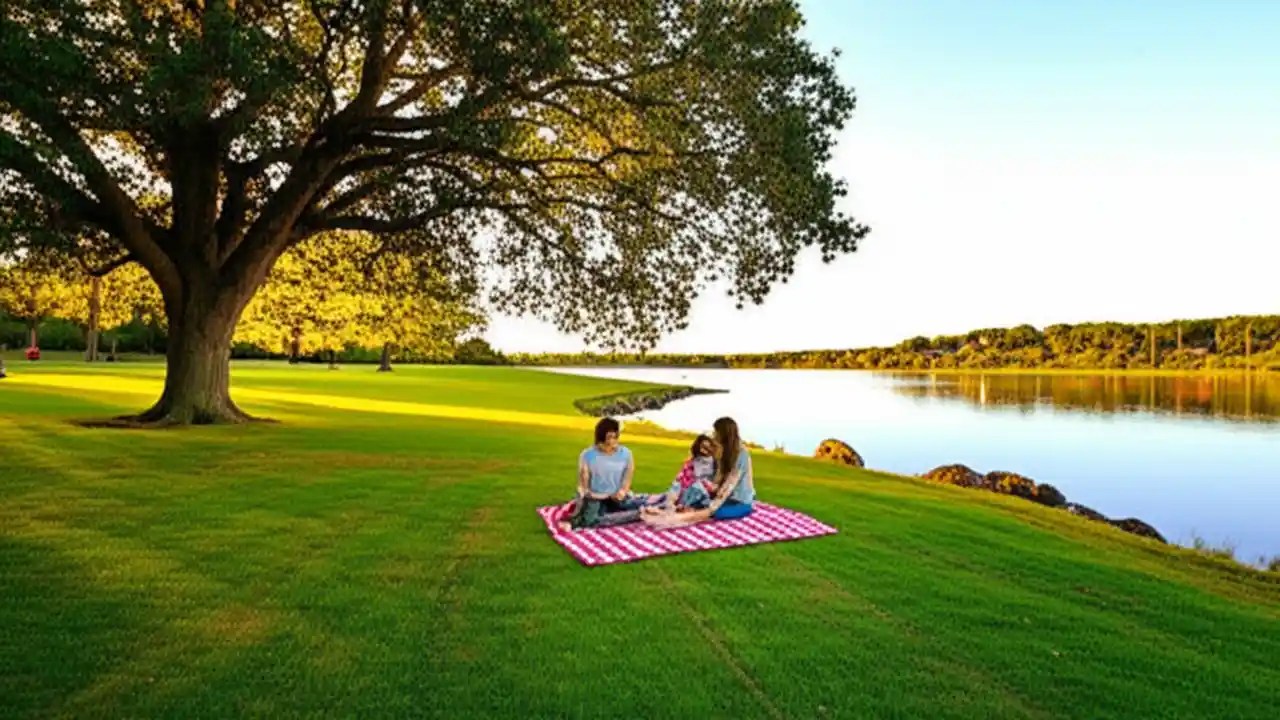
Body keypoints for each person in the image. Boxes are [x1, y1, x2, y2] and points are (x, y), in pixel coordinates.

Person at [641, 416, 755, 528]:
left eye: (716, 432)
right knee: (699, 502)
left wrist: (711, 507)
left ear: (724, 434)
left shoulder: (741, 454)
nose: (714, 435)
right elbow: (718, 478)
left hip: (740, 502)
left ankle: (671, 519)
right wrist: (711, 490)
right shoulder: (724, 451)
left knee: (712, 513)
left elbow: (729, 485)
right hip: (724, 497)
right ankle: (667, 514)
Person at [561, 417, 657, 530]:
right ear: (600, 439)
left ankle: (643, 510)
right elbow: (583, 486)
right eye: (608, 438)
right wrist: (594, 495)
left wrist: (622, 491)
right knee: (590, 520)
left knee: (635, 504)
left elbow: (627, 478)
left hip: (617, 497)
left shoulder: (626, 454)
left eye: (614, 437)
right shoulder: (587, 455)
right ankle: (637, 514)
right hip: (595, 496)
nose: (611, 442)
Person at [645, 434, 718, 514]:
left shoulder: (712, 462)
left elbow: (704, 478)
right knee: (676, 487)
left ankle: (678, 506)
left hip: (697, 490)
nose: (704, 450)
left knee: (696, 488)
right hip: (684, 487)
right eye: (702, 447)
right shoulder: (692, 460)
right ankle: (670, 505)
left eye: (707, 447)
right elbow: (682, 474)